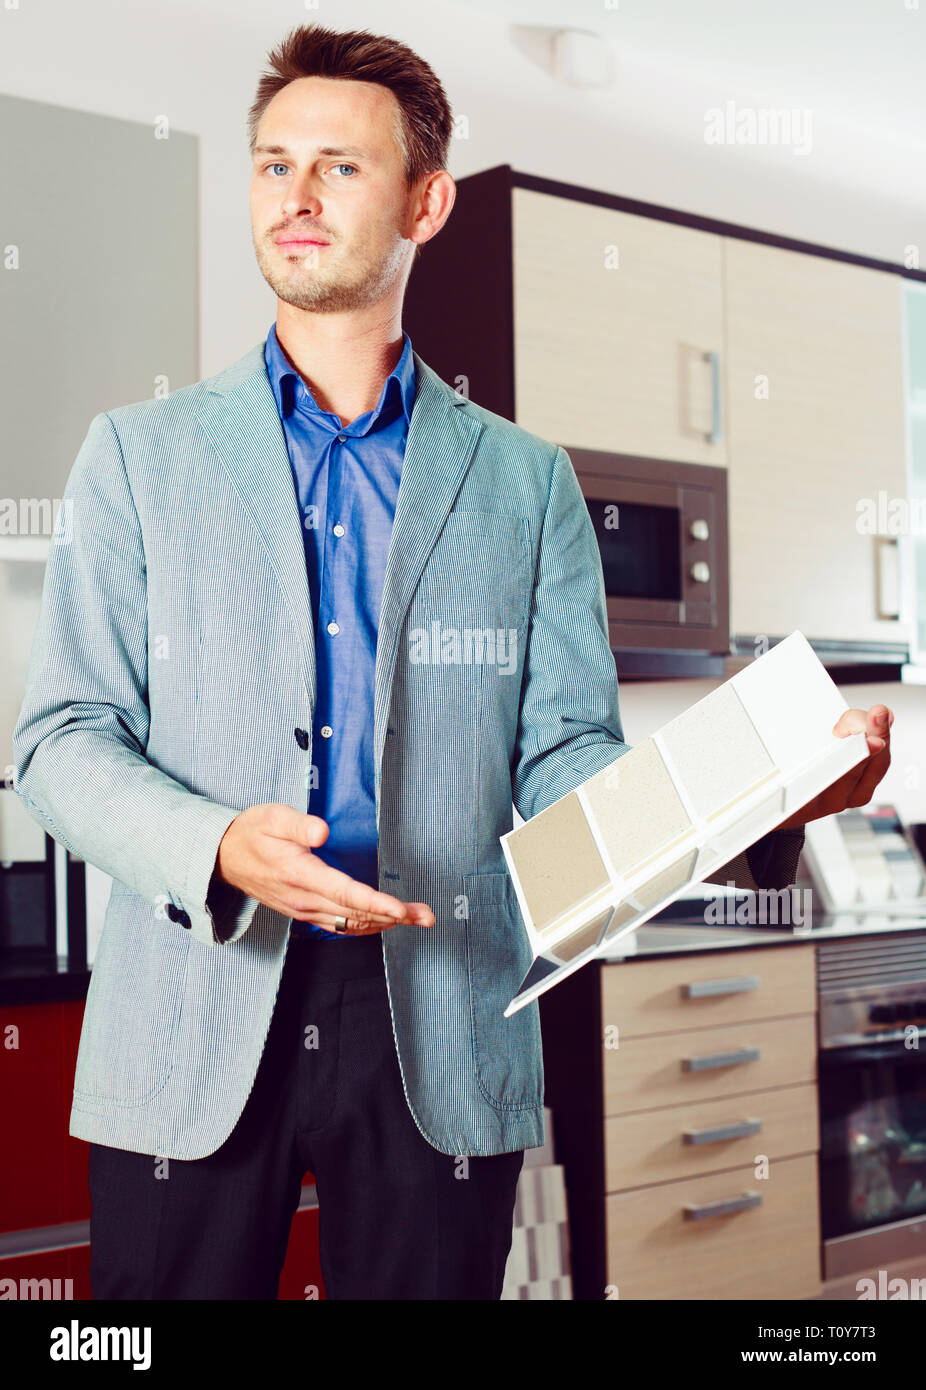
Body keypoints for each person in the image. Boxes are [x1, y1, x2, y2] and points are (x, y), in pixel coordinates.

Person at [12, 23, 894, 1301]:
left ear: (425, 201)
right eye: (272, 165)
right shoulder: (138, 457)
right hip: (197, 985)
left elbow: (565, 761)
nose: (295, 196)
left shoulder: (526, 484)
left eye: (339, 168)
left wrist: (759, 797)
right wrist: (215, 845)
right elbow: (61, 735)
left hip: (434, 998)